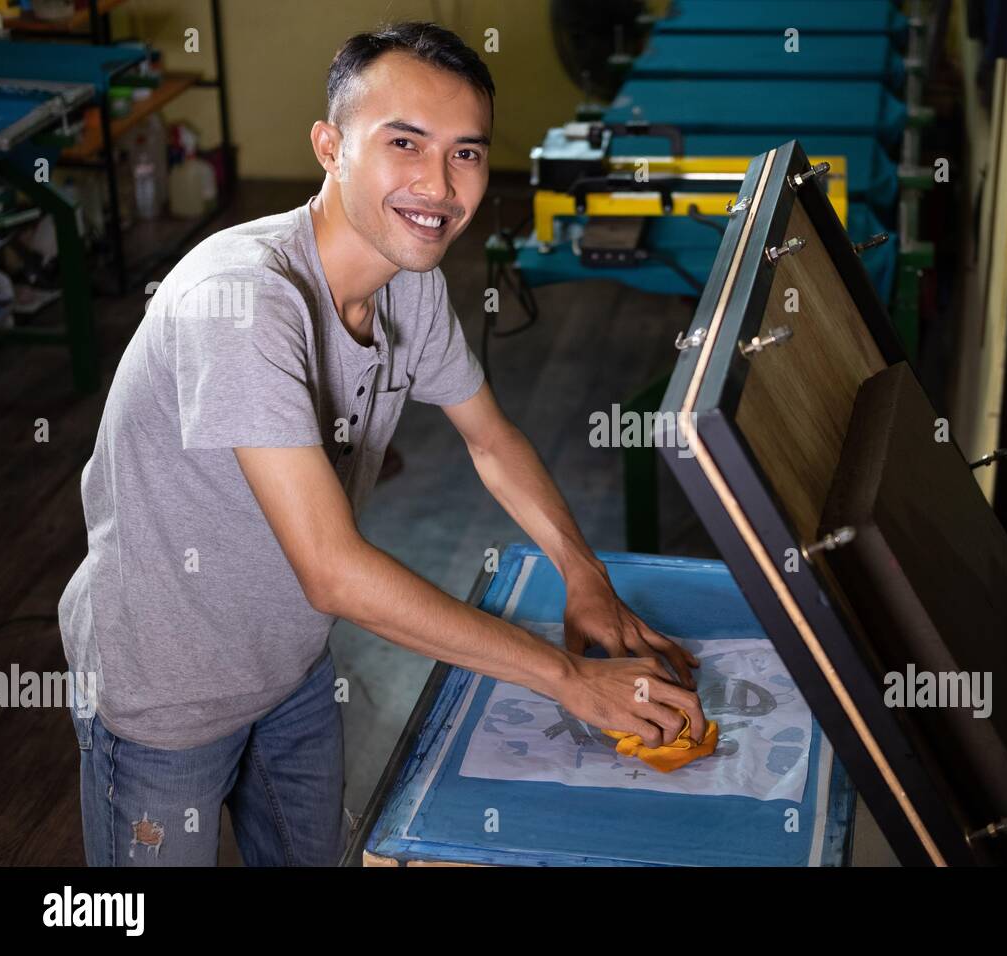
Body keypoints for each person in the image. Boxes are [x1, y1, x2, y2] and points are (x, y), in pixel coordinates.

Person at [57, 20, 705, 867]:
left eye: (466, 153)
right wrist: (569, 678)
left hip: (291, 667)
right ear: (331, 146)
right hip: (165, 694)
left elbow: (490, 439)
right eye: (405, 142)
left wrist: (584, 576)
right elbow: (331, 566)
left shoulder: (411, 282)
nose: (438, 185)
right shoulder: (244, 304)